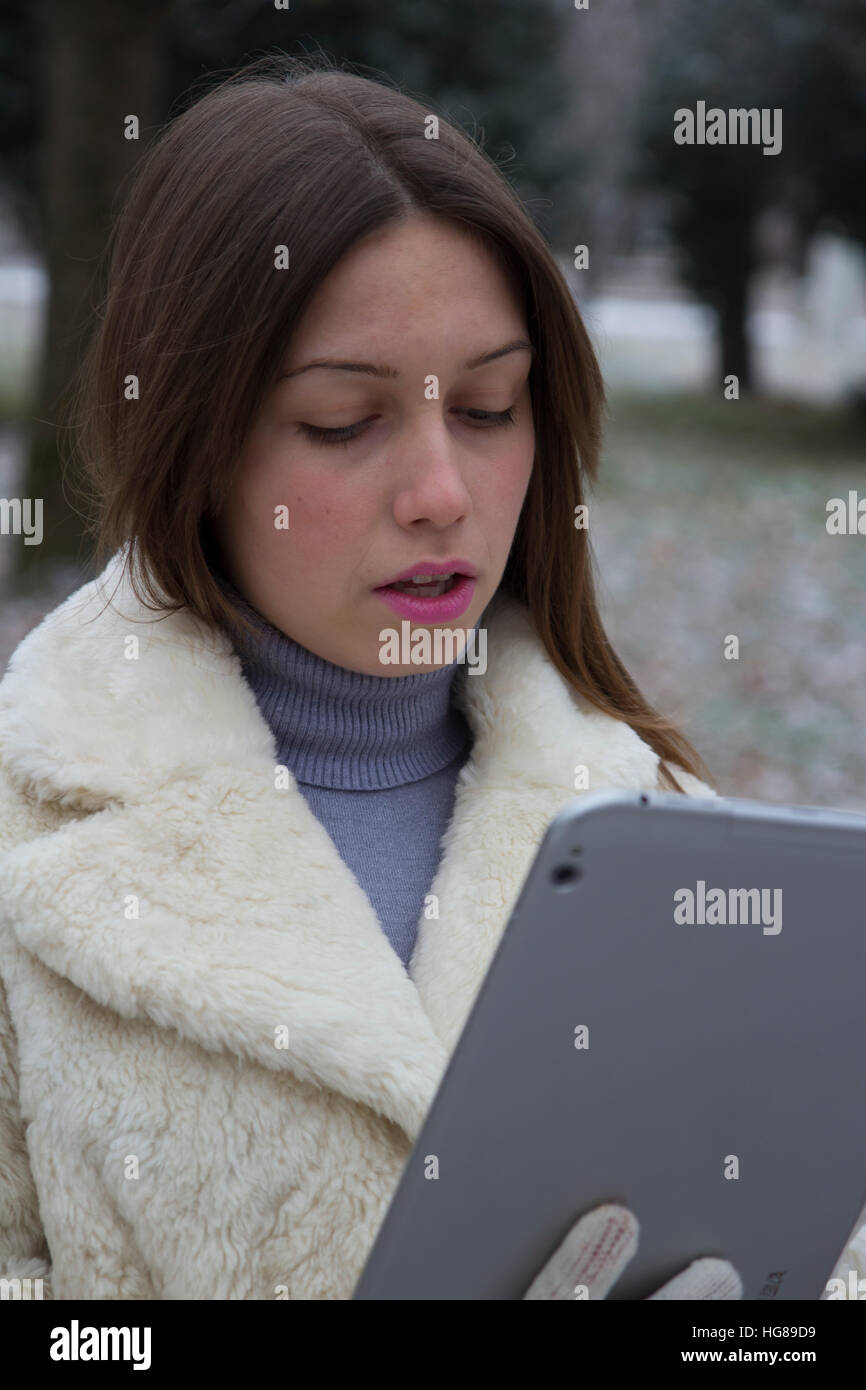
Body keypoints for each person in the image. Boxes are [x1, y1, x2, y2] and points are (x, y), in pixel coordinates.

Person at [0, 53, 858, 1301]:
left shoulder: (668, 828)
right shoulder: (26, 829)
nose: (442, 496)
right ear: (191, 437)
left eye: (489, 405)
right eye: (344, 422)